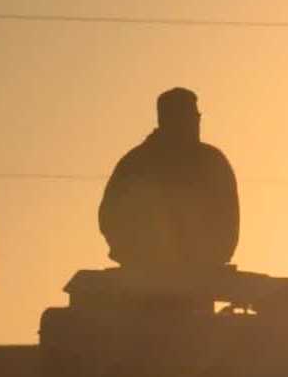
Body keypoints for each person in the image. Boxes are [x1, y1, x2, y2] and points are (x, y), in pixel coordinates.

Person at [98, 87, 239, 302]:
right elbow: (110, 217)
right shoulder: (137, 165)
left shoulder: (211, 163)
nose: (196, 122)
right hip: (144, 284)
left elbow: (228, 221)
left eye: (196, 116)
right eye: (190, 116)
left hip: (198, 280)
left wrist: (209, 258)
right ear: (169, 119)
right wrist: (140, 255)